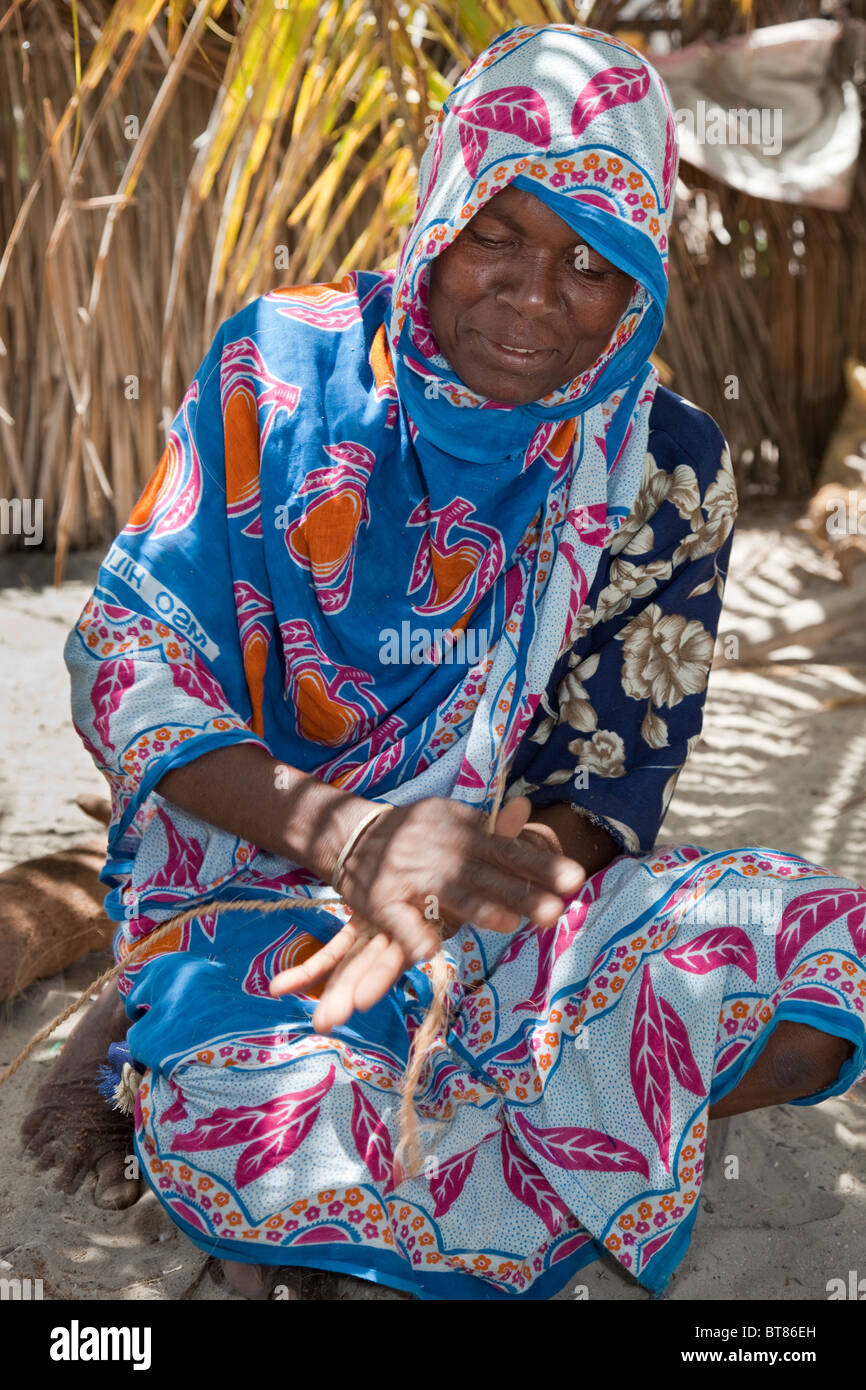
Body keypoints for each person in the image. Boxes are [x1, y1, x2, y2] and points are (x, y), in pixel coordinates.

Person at [26, 23, 865, 1300]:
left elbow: (615, 763)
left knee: (826, 954)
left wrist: (479, 886)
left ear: (639, 278)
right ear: (441, 212)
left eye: (591, 263)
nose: (536, 296)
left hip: (505, 887)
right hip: (258, 882)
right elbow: (130, 658)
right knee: (287, 1127)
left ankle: (463, 1105)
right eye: (497, 236)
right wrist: (354, 843)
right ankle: (387, 1095)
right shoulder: (279, 370)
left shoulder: (662, 461)